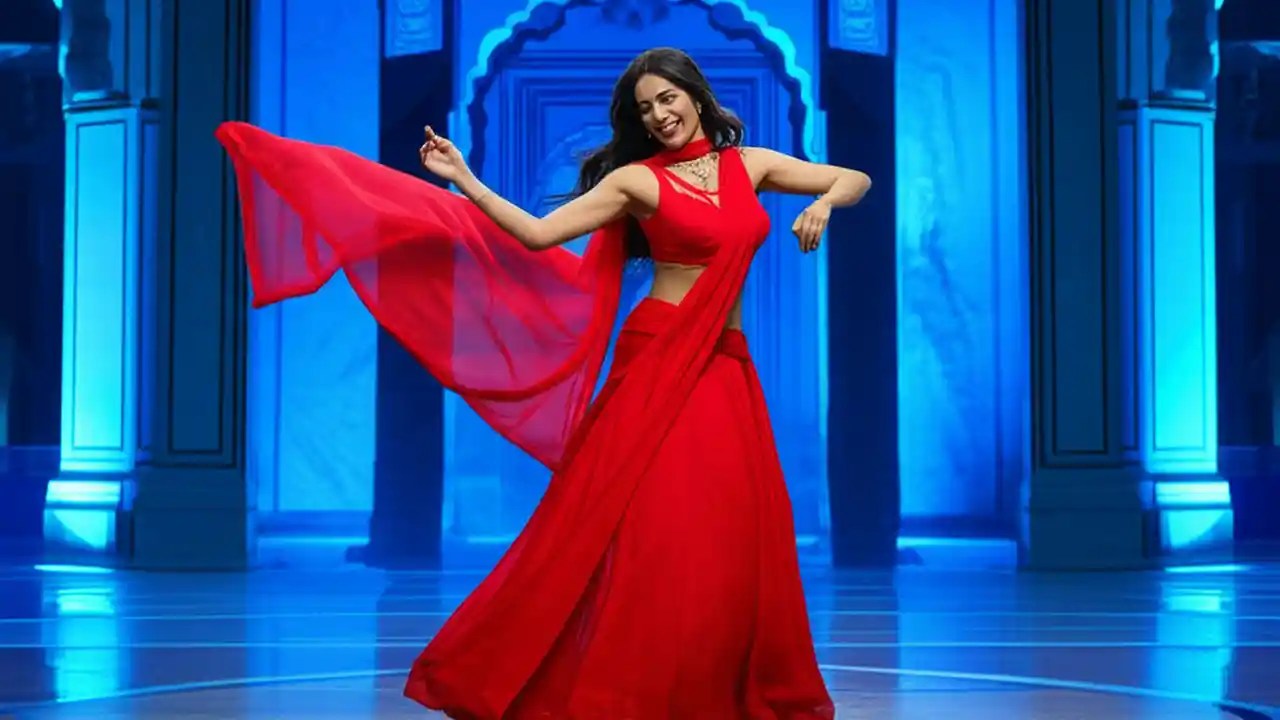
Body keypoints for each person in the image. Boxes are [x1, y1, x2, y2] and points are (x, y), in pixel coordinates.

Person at [217, 46, 869, 719]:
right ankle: (624, 689)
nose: (659, 114)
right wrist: (464, 179)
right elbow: (536, 234)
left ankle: (713, 686)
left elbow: (854, 177)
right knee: (657, 525)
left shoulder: (750, 165)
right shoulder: (636, 182)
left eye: (668, 98)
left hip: (726, 362)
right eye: (645, 108)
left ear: (696, 97)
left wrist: (822, 204)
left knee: (732, 530)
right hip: (658, 356)